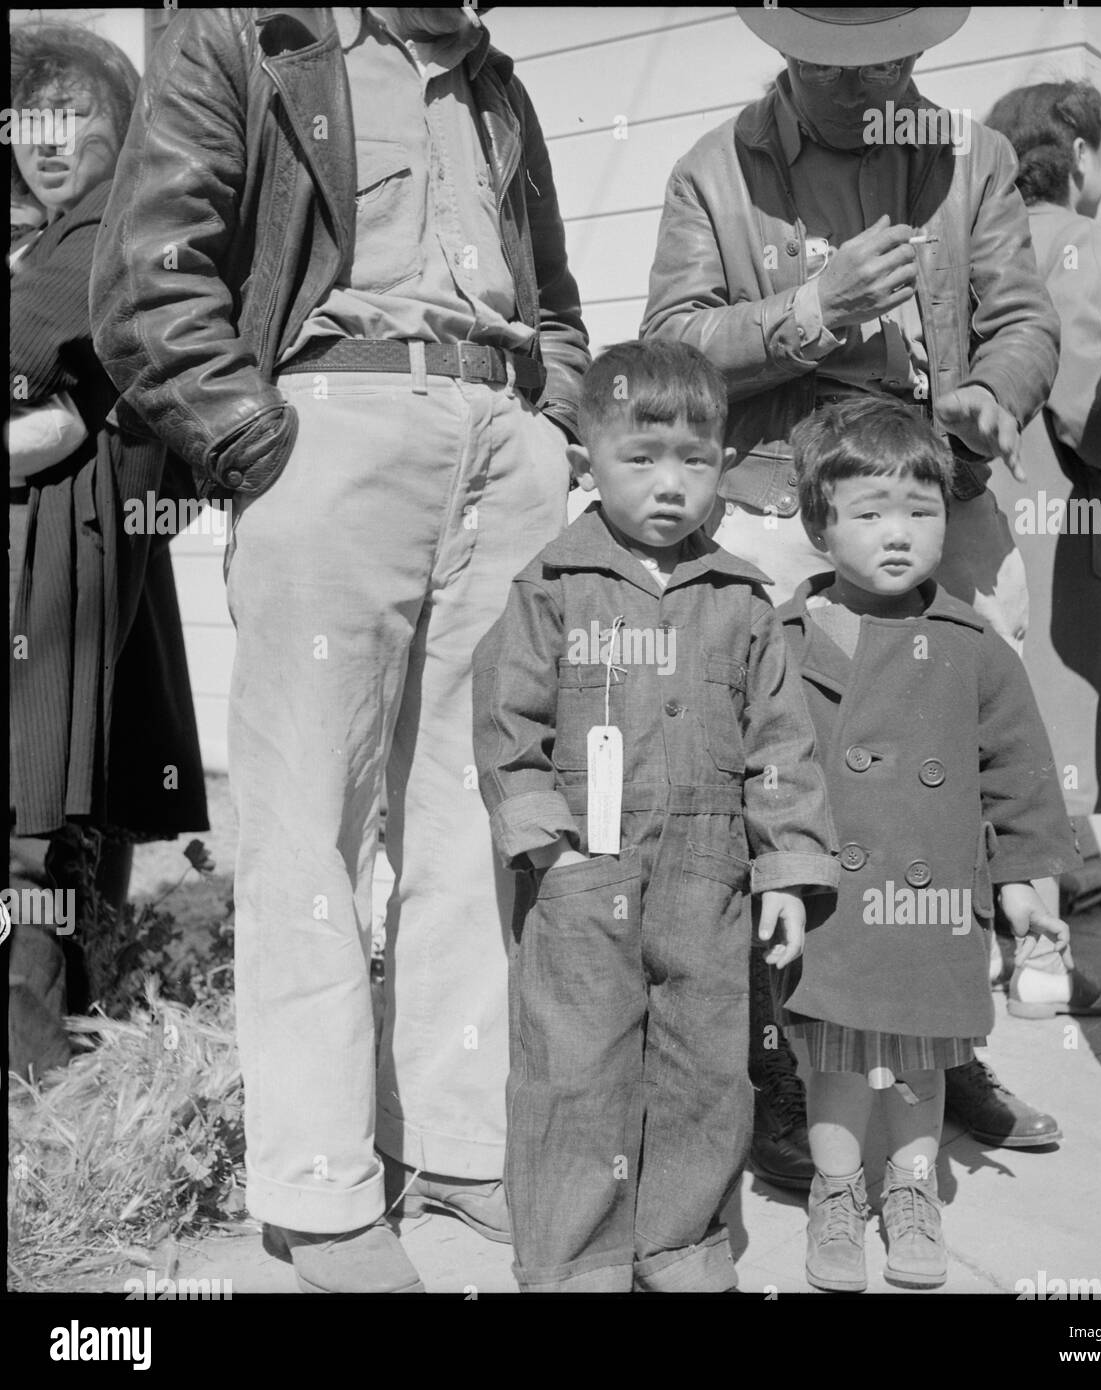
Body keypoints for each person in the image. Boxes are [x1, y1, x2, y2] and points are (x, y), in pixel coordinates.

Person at [91, 6, 590, 1292]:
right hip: (334, 413)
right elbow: (150, 268)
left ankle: (463, 1145)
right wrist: (258, 442)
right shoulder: (250, 37)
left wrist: (560, 427)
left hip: (504, 444)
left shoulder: (497, 84)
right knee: (308, 817)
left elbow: (556, 294)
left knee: (481, 805)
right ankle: (319, 1190)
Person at [640, 4, 1066, 1177]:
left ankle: (941, 1045)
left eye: (888, 61)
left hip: (941, 518)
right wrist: (810, 310)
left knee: (953, 794)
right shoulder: (710, 170)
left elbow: (1024, 317)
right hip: (783, 519)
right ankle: (778, 1057)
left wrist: (992, 391)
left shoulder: (967, 155)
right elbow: (670, 346)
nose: (869, 82)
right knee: (784, 795)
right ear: (787, 51)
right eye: (840, 66)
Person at [471, 340, 838, 1291]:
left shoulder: (743, 603)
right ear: (589, 454)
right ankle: (575, 1260)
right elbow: (508, 728)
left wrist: (790, 870)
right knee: (575, 1074)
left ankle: (682, 1245)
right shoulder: (552, 587)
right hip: (584, 885)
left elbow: (781, 747)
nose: (670, 484)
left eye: (697, 459)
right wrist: (548, 857)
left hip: (708, 884)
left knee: (707, 1072)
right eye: (641, 458)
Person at [777, 396, 1079, 1290]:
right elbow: (762, 765)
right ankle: (837, 1192)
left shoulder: (972, 642)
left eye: (922, 510)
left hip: (934, 895)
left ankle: (912, 1189)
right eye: (869, 514)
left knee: (917, 1062)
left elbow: (1020, 770)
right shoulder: (781, 638)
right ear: (820, 526)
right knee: (831, 1058)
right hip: (832, 895)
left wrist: (1023, 885)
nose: (899, 534)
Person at [8, 22, 207, 1081]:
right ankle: (71, 1030)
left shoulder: (108, 224)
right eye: (27, 122)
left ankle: (38, 1062)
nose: (46, 143)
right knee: (78, 780)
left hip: (72, 544)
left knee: (44, 795)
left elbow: (29, 353)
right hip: (64, 544)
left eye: (71, 116)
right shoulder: (37, 234)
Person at [984, 79, 1101, 1017]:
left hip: (983, 519)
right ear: (1082, 156)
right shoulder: (1079, 243)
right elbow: (1092, 395)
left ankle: (983, 949)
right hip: (1056, 528)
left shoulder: (979, 244)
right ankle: (1043, 967)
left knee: (983, 733)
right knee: (1045, 741)